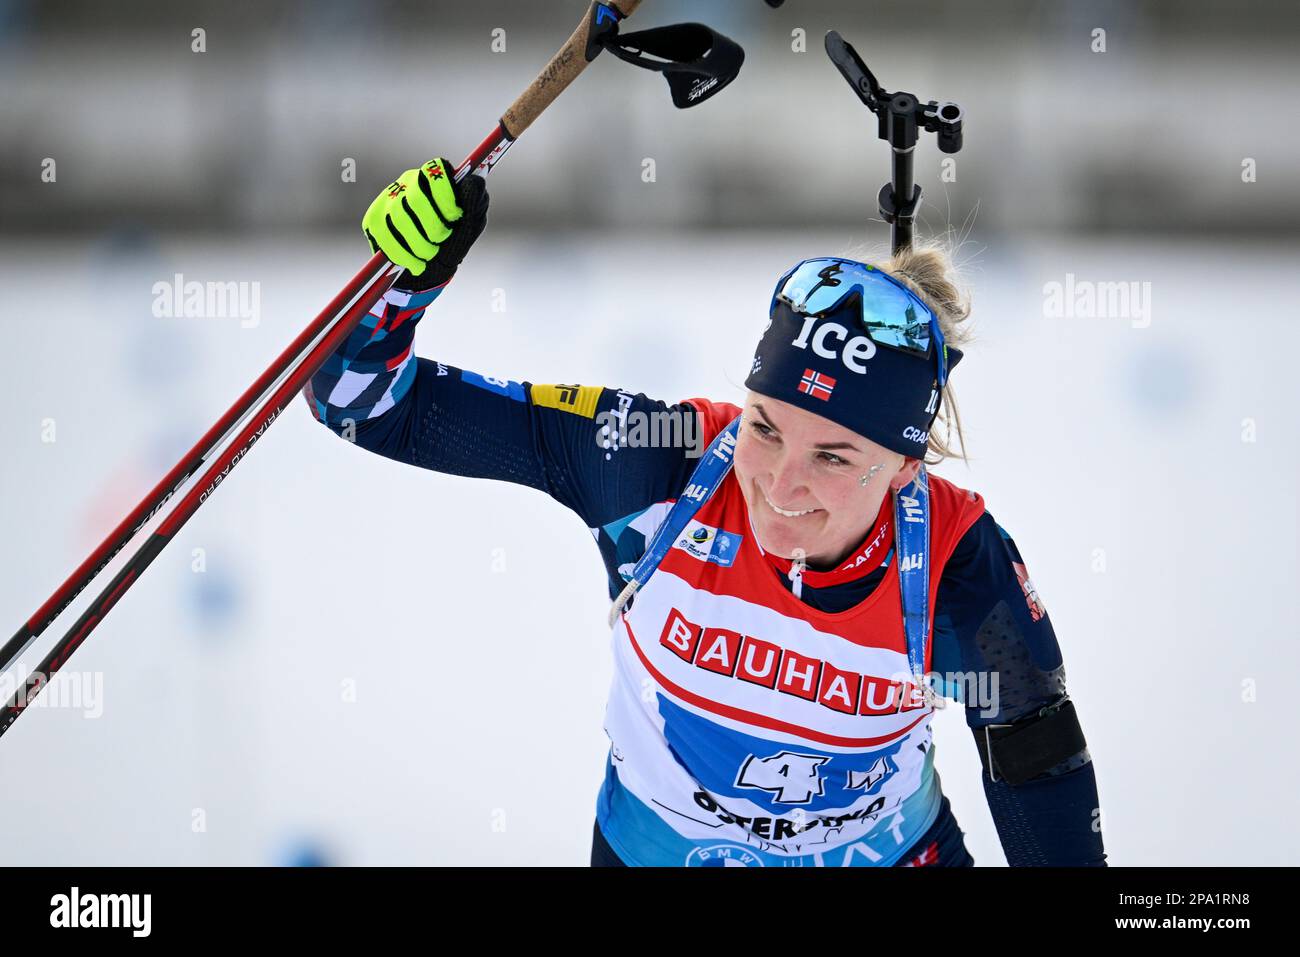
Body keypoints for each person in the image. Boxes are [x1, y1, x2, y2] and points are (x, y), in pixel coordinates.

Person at [303, 158, 1108, 867]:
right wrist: (397, 281)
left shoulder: (955, 563)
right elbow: (363, 402)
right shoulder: (654, 462)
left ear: (903, 467)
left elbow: (1034, 755)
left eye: (832, 457)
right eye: (764, 427)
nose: (781, 485)